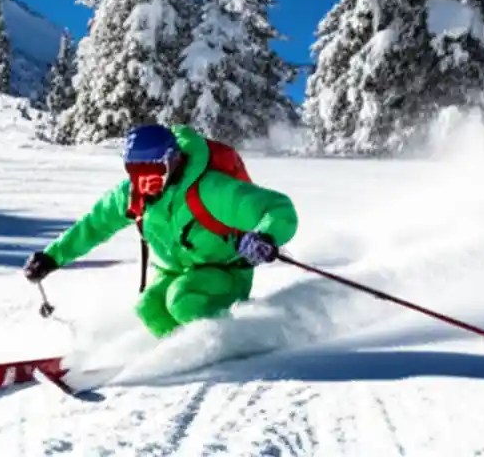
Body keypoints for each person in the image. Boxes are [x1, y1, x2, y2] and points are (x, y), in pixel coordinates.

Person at [23, 123, 297, 338]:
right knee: (148, 308)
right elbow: (93, 226)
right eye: (135, 171)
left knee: (183, 300)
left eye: (153, 171)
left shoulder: (209, 189)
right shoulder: (132, 196)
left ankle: (236, 340)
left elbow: (277, 207)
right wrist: (52, 257)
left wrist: (266, 236)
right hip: (178, 271)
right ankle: (186, 351)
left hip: (225, 271)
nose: (145, 182)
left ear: (173, 160)